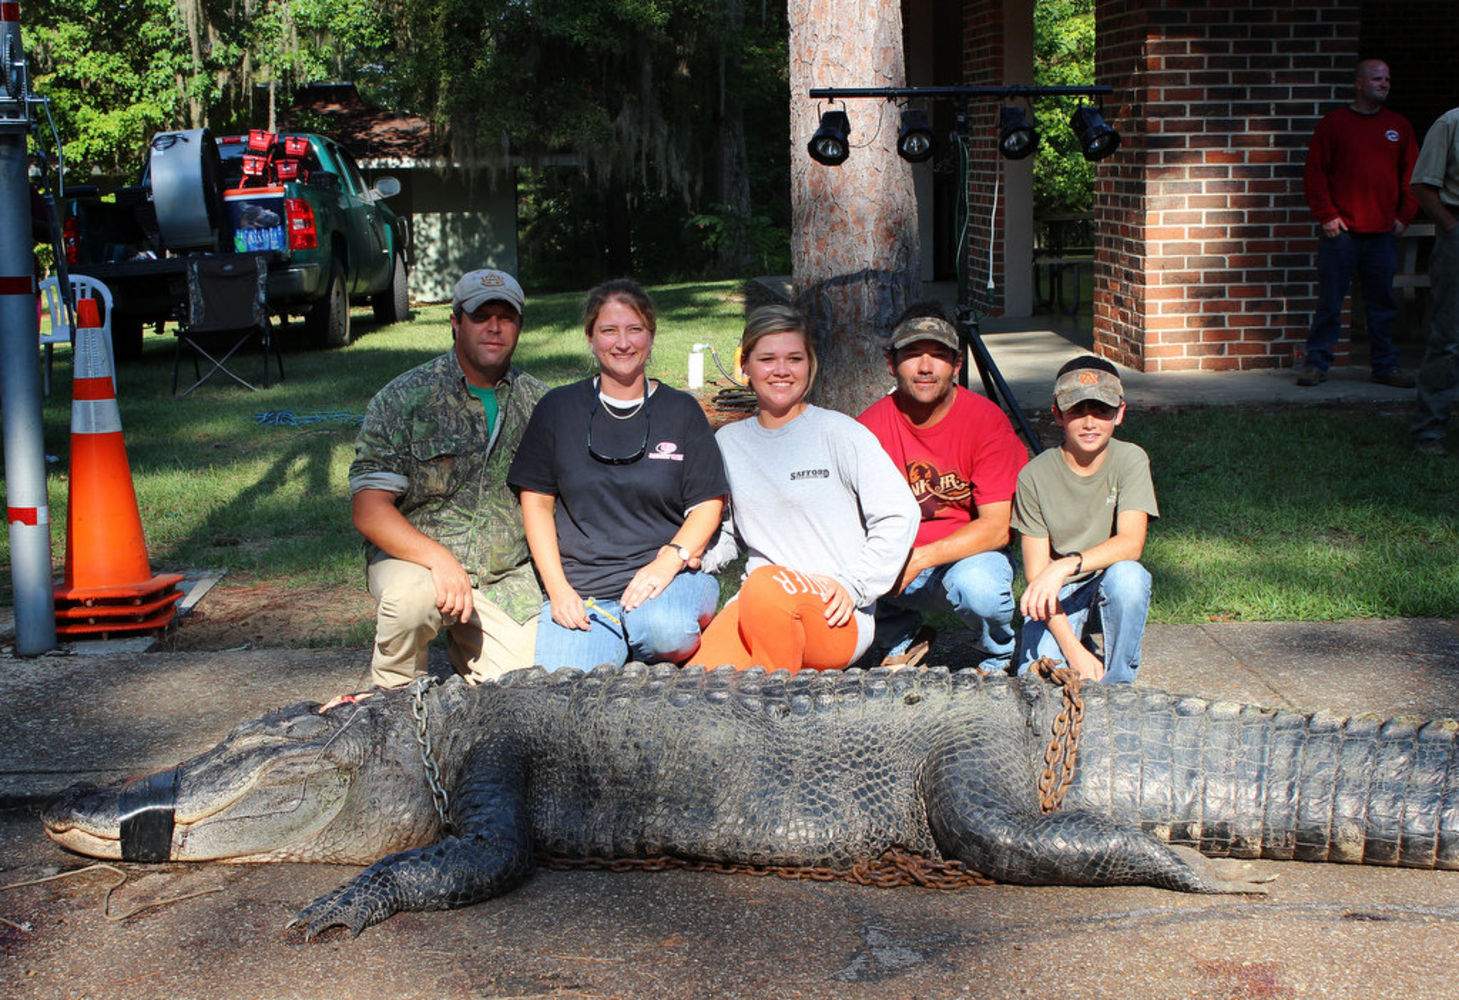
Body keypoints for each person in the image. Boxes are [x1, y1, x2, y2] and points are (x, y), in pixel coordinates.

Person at [508, 279, 727, 669]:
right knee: (564, 680)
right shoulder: (558, 409)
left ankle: (640, 641)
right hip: (585, 588)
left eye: (634, 330)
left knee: (666, 629)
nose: (622, 343)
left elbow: (708, 505)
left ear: (651, 336)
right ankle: (619, 644)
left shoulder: (681, 411)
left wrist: (669, 561)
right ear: (591, 338)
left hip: (666, 581)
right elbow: (537, 504)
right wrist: (558, 590)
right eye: (609, 331)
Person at [689, 305, 919, 673]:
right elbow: (729, 530)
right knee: (698, 684)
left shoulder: (840, 433)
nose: (781, 370)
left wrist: (854, 585)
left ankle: (781, 713)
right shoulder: (729, 443)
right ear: (745, 366)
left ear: (809, 365)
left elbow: (900, 513)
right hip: (757, 605)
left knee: (764, 587)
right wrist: (692, 557)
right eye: (767, 359)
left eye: (794, 358)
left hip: (834, 608)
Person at [349, 268, 548, 688]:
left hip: (504, 576)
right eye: (480, 316)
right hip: (417, 563)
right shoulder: (404, 398)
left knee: (527, 686)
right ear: (456, 322)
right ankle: (393, 697)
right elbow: (369, 511)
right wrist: (439, 559)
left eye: (506, 317)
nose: (494, 328)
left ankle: (469, 655)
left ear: (519, 326)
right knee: (409, 602)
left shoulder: (541, 404)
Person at [857, 305, 1028, 671]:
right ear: (892, 363)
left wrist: (918, 559)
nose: (924, 367)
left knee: (979, 588)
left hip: (966, 557)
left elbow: (997, 528)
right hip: (893, 555)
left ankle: (997, 653)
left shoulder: (986, 421)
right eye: (912, 355)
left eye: (938, 356)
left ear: (956, 365)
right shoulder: (867, 429)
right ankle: (901, 638)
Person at [1012, 356, 1158, 684]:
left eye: (1101, 410)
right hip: (1056, 594)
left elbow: (1131, 544)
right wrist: (1073, 648)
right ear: (1057, 414)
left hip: (1106, 581)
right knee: (1034, 678)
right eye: (1077, 410)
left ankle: (1119, 682)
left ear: (1120, 413)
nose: (1090, 422)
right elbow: (1038, 576)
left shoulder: (1131, 459)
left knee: (1130, 577)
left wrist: (1063, 565)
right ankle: (1080, 644)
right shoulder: (1033, 476)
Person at [1297, 58, 1418, 388]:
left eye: (1387, 79)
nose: (1384, 84)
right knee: (1331, 303)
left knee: (1382, 305)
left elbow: (1413, 176)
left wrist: (1404, 216)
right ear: (1360, 83)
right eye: (1377, 78)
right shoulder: (1334, 124)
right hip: (1342, 233)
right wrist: (1327, 215)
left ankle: (1385, 366)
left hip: (1382, 234)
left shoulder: (1399, 126)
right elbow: (1315, 174)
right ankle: (1317, 364)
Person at [1412, 104, 1459, 456]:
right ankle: (1430, 431)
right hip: (1457, 232)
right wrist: (1452, 227)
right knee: (1449, 336)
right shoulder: (1449, 123)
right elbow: (1423, 187)